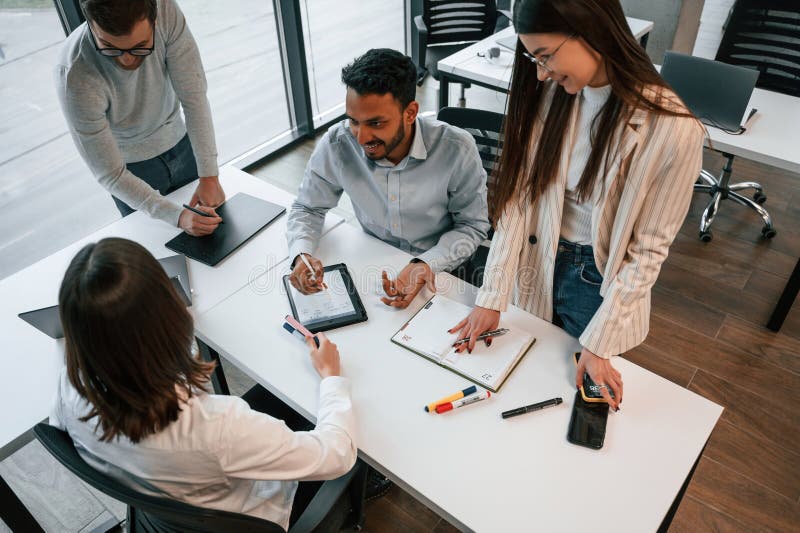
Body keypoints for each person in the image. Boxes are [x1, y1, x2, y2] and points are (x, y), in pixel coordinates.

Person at [451, 0, 705, 410]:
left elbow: (647, 252)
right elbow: (519, 201)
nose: (541, 72)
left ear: (591, 31)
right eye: (533, 58)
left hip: (597, 283)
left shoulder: (675, 130)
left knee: (574, 399)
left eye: (546, 56)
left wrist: (601, 343)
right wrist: (492, 293)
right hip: (536, 261)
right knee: (518, 384)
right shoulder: (555, 96)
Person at [50, 238, 357, 529]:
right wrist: (332, 378)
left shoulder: (69, 388)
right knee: (357, 437)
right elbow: (337, 455)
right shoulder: (218, 426)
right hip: (252, 512)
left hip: (173, 501)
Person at [286, 48, 491, 308]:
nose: (360, 138)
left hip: (444, 270)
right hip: (371, 263)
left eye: (376, 123)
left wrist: (425, 264)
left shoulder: (456, 148)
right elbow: (307, 206)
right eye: (354, 121)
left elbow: (472, 226)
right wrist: (301, 253)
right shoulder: (339, 142)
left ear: (410, 112)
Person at [55, 0, 224, 236]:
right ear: (91, 24)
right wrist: (177, 217)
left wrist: (209, 174)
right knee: (156, 251)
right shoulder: (74, 74)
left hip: (183, 145)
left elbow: (193, 97)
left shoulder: (166, 12)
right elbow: (110, 174)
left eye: (141, 46)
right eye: (110, 48)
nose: (126, 60)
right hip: (131, 172)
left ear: (154, 19)